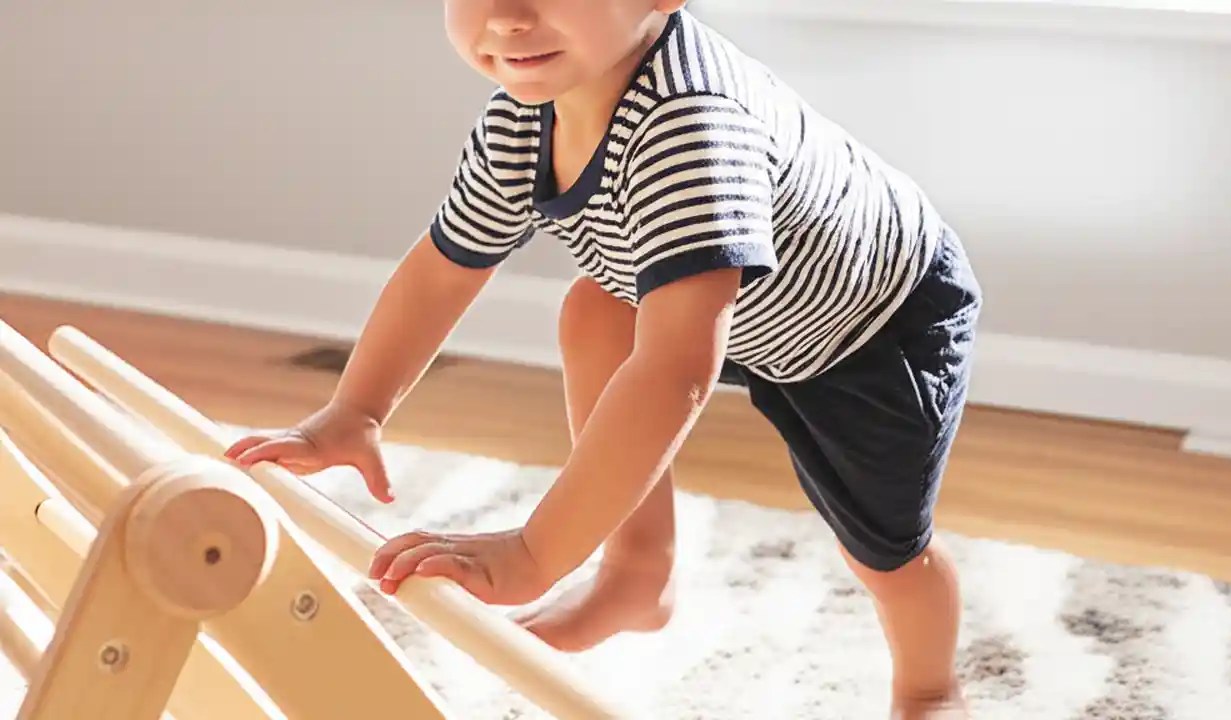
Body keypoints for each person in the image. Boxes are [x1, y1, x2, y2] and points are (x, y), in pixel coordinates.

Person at [225, 1, 982, 717]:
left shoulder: (691, 130)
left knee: (887, 557)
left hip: (869, 328)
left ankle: (930, 687)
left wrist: (535, 551)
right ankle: (635, 574)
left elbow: (676, 372)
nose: (508, 17)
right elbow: (442, 269)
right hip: (736, 301)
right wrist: (355, 409)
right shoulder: (527, 114)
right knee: (594, 311)